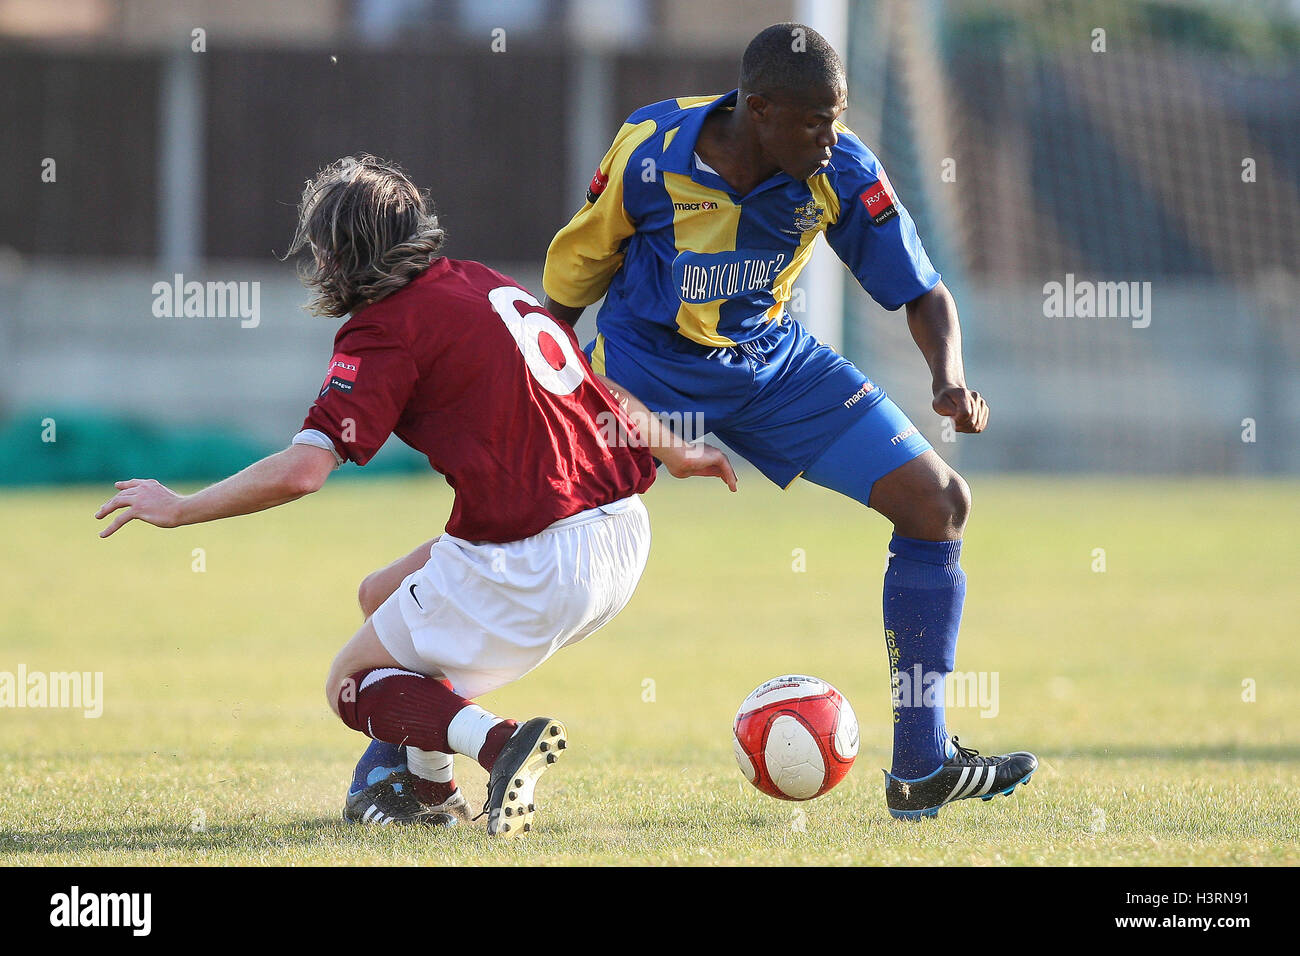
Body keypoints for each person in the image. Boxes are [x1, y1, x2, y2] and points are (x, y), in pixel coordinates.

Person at [96, 155, 737, 836]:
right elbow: (602, 393)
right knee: (379, 594)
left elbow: (305, 470)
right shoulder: (486, 284)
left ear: (344, 253)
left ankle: (500, 746)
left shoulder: (385, 328)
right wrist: (680, 449)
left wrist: (181, 507)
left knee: (350, 683)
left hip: (541, 557)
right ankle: (432, 796)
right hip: (622, 531)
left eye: (320, 246)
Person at [541, 24, 1036, 819]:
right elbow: (576, 267)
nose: (830, 137)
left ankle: (919, 765)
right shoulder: (649, 148)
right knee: (529, 530)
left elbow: (922, 290)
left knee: (936, 502)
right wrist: (538, 377)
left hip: (771, 366)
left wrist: (948, 379)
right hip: (644, 368)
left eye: (835, 118)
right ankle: (403, 738)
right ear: (759, 109)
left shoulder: (839, 169)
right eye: (814, 122)